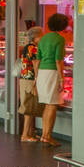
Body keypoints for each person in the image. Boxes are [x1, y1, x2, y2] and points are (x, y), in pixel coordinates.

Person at [35, 13, 69, 147]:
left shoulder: (43, 39)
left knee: (47, 105)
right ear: (62, 25)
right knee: (52, 105)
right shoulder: (59, 39)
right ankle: (47, 136)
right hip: (52, 72)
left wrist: (36, 76)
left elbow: (37, 58)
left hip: (42, 73)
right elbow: (58, 60)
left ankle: (44, 134)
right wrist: (62, 78)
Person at [17, 26, 43, 142]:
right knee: (28, 107)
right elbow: (36, 64)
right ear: (36, 37)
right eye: (41, 35)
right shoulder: (33, 48)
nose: (42, 38)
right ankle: (25, 135)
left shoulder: (27, 47)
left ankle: (30, 133)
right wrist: (37, 79)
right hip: (29, 79)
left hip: (24, 78)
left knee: (29, 106)